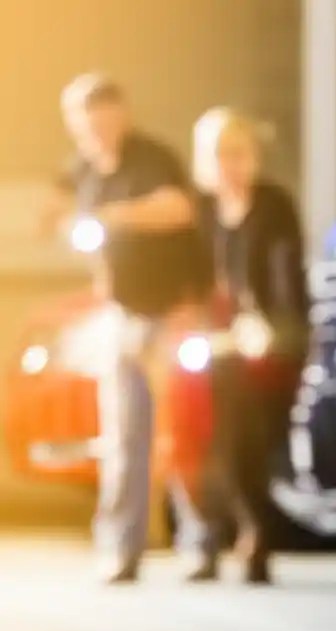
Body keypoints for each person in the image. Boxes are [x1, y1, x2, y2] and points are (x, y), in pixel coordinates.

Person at [42, 73, 214, 583]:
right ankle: (121, 548)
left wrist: (112, 217)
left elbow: (178, 208)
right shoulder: (84, 168)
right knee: (122, 438)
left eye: (102, 116)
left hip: (174, 313)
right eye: (84, 120)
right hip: (121, 316)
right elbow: (55, 210)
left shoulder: (151, 158)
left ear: (121, 113)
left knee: (181, 433)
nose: (95, 129)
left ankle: (200, 541)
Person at [191, 107, 309, 584]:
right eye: (221, 155)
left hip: (270, 338)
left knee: (252, 438)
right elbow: (197, 275)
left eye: (239, 154)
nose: (230, 165)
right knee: (216, 441)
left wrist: (271, 326)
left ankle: (257, 536)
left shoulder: (273, 205)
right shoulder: (203, 211)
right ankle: (231, 531)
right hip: (219, 338)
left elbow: (285, 269)